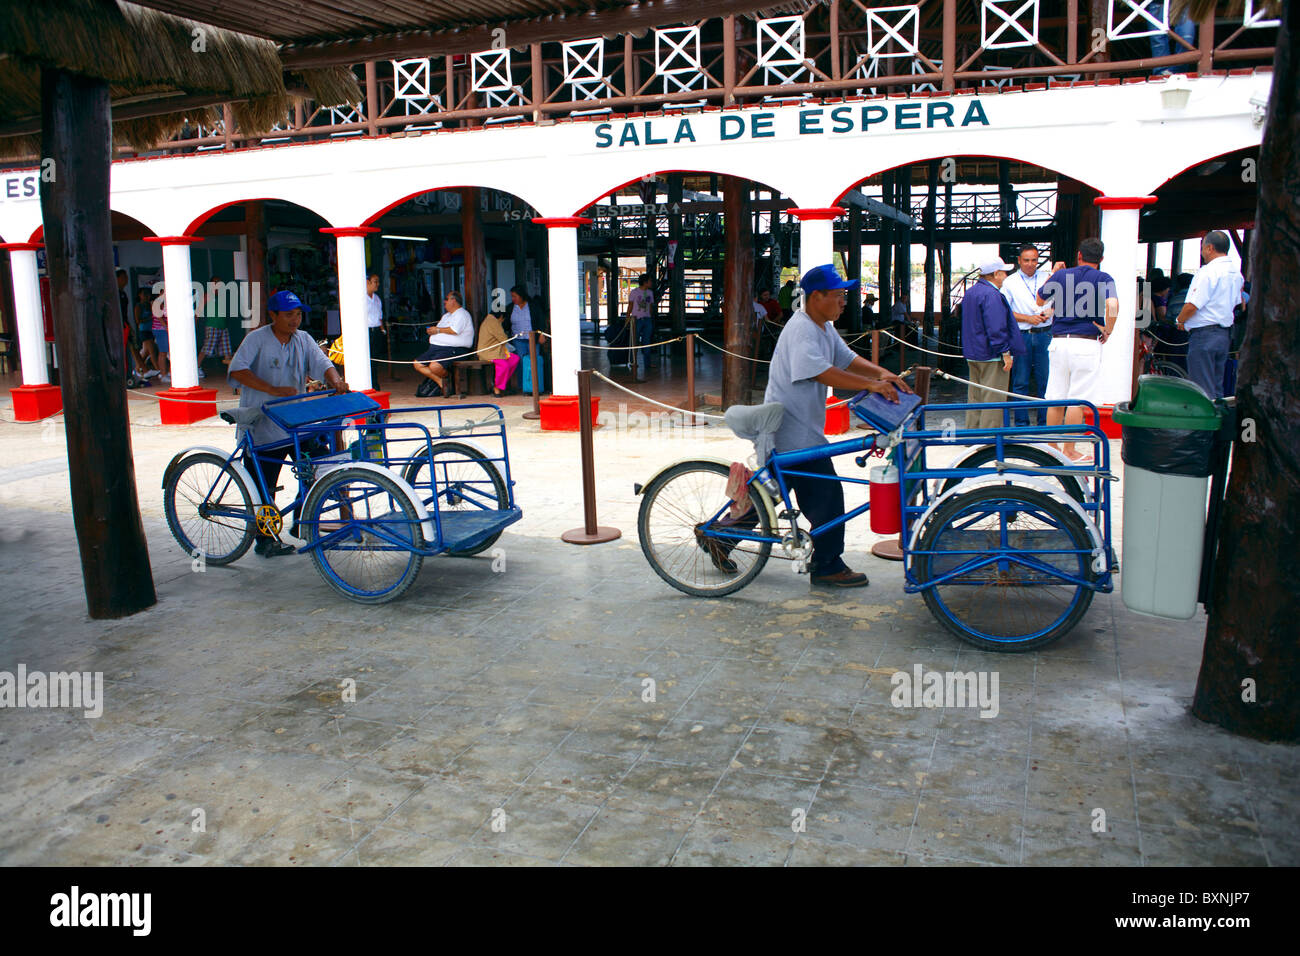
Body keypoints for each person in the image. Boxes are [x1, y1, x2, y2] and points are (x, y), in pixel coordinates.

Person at [764, 264, 912, 589]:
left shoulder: (823, 327)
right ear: (816, 297)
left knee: (768, 493)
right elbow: (819, 370)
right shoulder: (802, 328)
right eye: (839, 296)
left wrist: (880, 374)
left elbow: (845, 359)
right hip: (793, 432)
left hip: (798, 429)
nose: (844, 302)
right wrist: (871, 385)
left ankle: (719, 537)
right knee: (827, 496)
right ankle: (827, 565)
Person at [227, 289, 349, 557]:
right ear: (273, 315)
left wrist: (336, 381)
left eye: (297, 314)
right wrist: (272, 388)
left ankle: (301, 520)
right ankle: (265, 540)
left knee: (322, 467)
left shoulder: (303, 339)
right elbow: (237, 371)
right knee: (264, 486)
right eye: (288, 314)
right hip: (263, 423)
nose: (295, 320)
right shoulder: (256, 339)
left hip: (296, 422)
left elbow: (322, 362)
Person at [1036, 237, 1118, 462]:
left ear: (1079, 256)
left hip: (1059, 341)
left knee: (1055, 397)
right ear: (1101, 259)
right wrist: (1107, 330)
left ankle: (1051, 448)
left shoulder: (1062, 276)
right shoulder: (1104, 278)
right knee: (1076, 399)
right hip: (1086, 342)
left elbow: (1039, 300)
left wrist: (1054, 273)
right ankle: (1069, 450)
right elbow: (1112, 305)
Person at [1176, 230, 1243, 400]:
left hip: (1204, 335)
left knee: (1201, 389)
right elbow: (1239, 302)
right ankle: (1219, 425)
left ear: (1210, 248)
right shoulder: (1236, 273)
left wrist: (1180, 319)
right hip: (1223, 334)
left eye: (1203, 248)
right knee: (1216, 387)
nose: (1202, 252)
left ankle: (1204, 426)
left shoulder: (1208, 272)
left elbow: (1193, 305)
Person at [1001, 244, 1061, 426]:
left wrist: (1049, 313)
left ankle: (1044, 423)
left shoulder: (1047, 278)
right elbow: (1004, 311)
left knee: (1046, 380)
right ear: (1019, 261)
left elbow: (1060, 301)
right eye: (1026, 260)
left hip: (1045, 334)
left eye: (1034, 260)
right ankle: (1021, 424)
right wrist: (1028, 318)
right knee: (1020, 381)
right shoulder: (1009, 282)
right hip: (1022, 335)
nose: (1030, 264)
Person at [961, 257, 1024, 430]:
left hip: (973, 353)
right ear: (995, 274)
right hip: (991, 354)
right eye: (1004, 272)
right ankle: (989, 438)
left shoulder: (972, 292)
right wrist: (1005, 352)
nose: (1005, 276)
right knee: (993, 398)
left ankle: (972, 433)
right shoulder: (992, 295)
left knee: (975, 396)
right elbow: (996, 327)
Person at [413, 291, 474, 396]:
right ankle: (440, 381)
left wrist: (437, 330)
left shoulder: (462, 314)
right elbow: (440, 328)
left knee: (435, 367)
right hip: (436, 348)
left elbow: (455, 330)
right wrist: (433, 331)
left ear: (453, 300)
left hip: (453, 349)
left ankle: (447, 379)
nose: (444, 301)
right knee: (417, 364)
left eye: (447, 299)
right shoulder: (446, 316)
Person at [510, 285, 545, 394]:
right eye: (512, 296)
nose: (513, 299)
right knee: (521, 363)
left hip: (532, 338)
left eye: (515, 296)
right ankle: (523, 387)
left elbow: (541, 320)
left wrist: (541, 334)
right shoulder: (510, 307)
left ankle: (535, 386)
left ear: (521, 296)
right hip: (518, 339)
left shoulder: (533, 306)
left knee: (534, 361)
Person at [196, 277, 234, 377]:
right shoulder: (207, 295)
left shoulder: (222, 295)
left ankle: (231, 372)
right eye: (215, 282)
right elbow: (199, 311)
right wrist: (194, 324)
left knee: (227, 350)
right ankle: (196, 367)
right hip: (212, 326)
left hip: (223, 326)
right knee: (206, 348)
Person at [477, 310, 520, 397]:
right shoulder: (493, 322)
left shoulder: (490, 319)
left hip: (495, 351)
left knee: (514, 358)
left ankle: (501, 385)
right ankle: (497, 388)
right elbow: (503, 338)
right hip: (488, 352)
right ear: (501, 317)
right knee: (504, 365)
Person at [628, 273, 656, 379]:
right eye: (650, 281)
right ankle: (632, 362)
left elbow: (650, 306)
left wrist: (650, 317)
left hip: (647, 319)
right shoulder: (634, 292)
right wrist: (628, 317)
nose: (651, 283)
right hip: (636, 319)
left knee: (647, 341)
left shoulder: (650, 293)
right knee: (634, 341)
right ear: (645, 282)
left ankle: (647, 363)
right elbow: (630, 305)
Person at [365, 271, 386, 386]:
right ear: (368, 282)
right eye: (375, 282)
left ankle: (375, 383)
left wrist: (383, 330)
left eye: (378, 282)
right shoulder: (361, 298)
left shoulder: (377, 298)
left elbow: (380, 316)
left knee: (375, 358)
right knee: (367, 359)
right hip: (366, 332)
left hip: (376, 330)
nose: (377, 284)